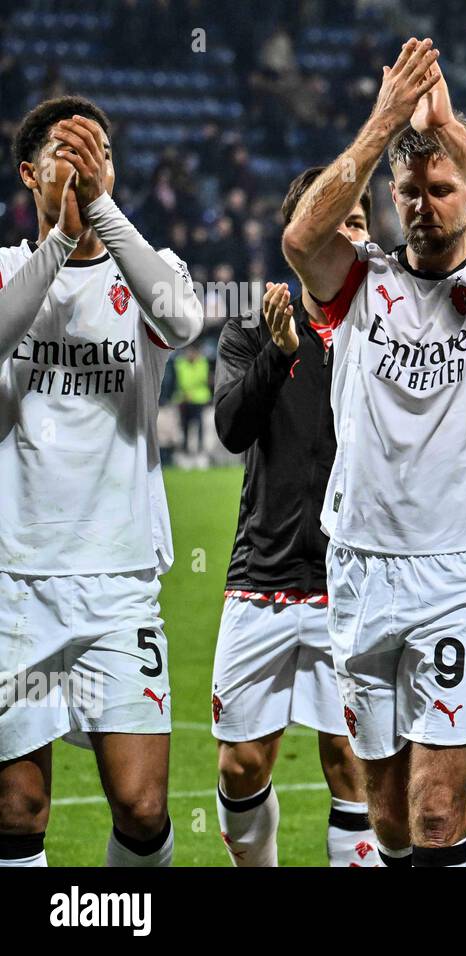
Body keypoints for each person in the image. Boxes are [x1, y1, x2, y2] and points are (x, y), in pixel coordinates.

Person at [281, 39, 466, 868]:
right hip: (360, 566)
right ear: (393, 198)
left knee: (438, 816)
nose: (428, 204)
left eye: (444, 190)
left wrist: (449, 129)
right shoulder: (356, 280)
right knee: (388, 812)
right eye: (414, 191)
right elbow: (300, 238)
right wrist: (386, 123)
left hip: (459, 575)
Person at [0, 95, 203, 867]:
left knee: (143, 806)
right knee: (19, 809)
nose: (86, 167)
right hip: (16, 580)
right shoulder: (10, 271)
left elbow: (184, 322)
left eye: (101, 154)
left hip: (119, 581)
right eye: (67, 153)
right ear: (29, 173)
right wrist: (59, 239)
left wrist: (102, 214)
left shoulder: (150, 271)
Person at [208, 167, 379, 866]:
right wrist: (279, 358)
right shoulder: (253, 327)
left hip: (355, 582)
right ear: (299, 240)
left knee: (349, 757)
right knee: (241, 766)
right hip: (265, 575)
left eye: (359, 222)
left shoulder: (387, 333)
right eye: (330, 220)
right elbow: (230, 428)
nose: (345, 234)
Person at [173, 345, 211, 464]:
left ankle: (200, 450)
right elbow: (179, 380)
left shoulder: (203, 362)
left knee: (199, 425)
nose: (191, 354)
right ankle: (185, 451)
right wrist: (185, 394)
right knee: (184, 425)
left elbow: (201, 379)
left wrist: (190, 392)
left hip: (199, 399)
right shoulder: (180, 363)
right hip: (183, 399)